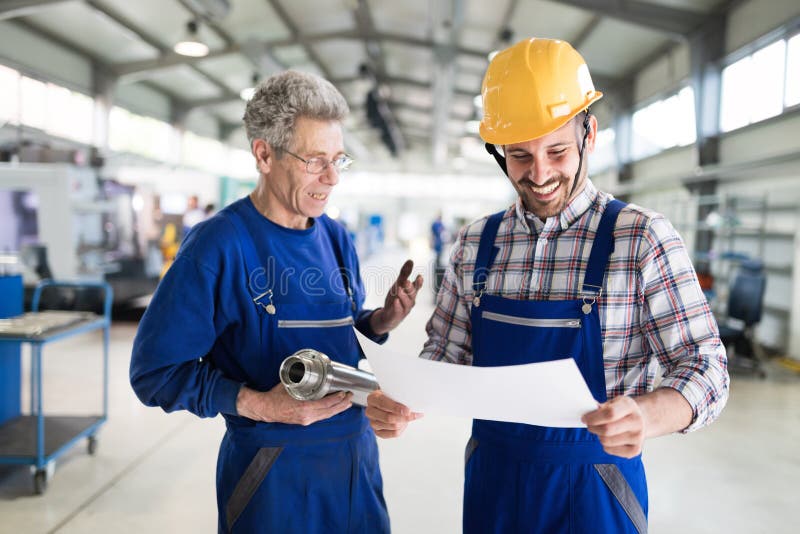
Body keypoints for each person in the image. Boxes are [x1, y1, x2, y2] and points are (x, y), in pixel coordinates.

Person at [366, 37, 729, 533]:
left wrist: (648, 414)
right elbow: (446, 351)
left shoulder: (641, 238)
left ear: (589, 135)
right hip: (494, 479)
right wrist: (407, 400)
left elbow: (706, 367)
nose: (539, 174)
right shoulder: (476, 243)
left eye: (557, 150)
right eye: (520, 156)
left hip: (596, 485)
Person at [130, 70, 423, 534]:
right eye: (314, 160)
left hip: (355, 466)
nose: (331, 178)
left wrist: (378, 322)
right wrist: (261, 405)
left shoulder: (336, 237)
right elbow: (155, 372)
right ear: (264, 154)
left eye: (339, 161)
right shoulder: (218, 246)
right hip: (272, 477)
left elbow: (339, 346)